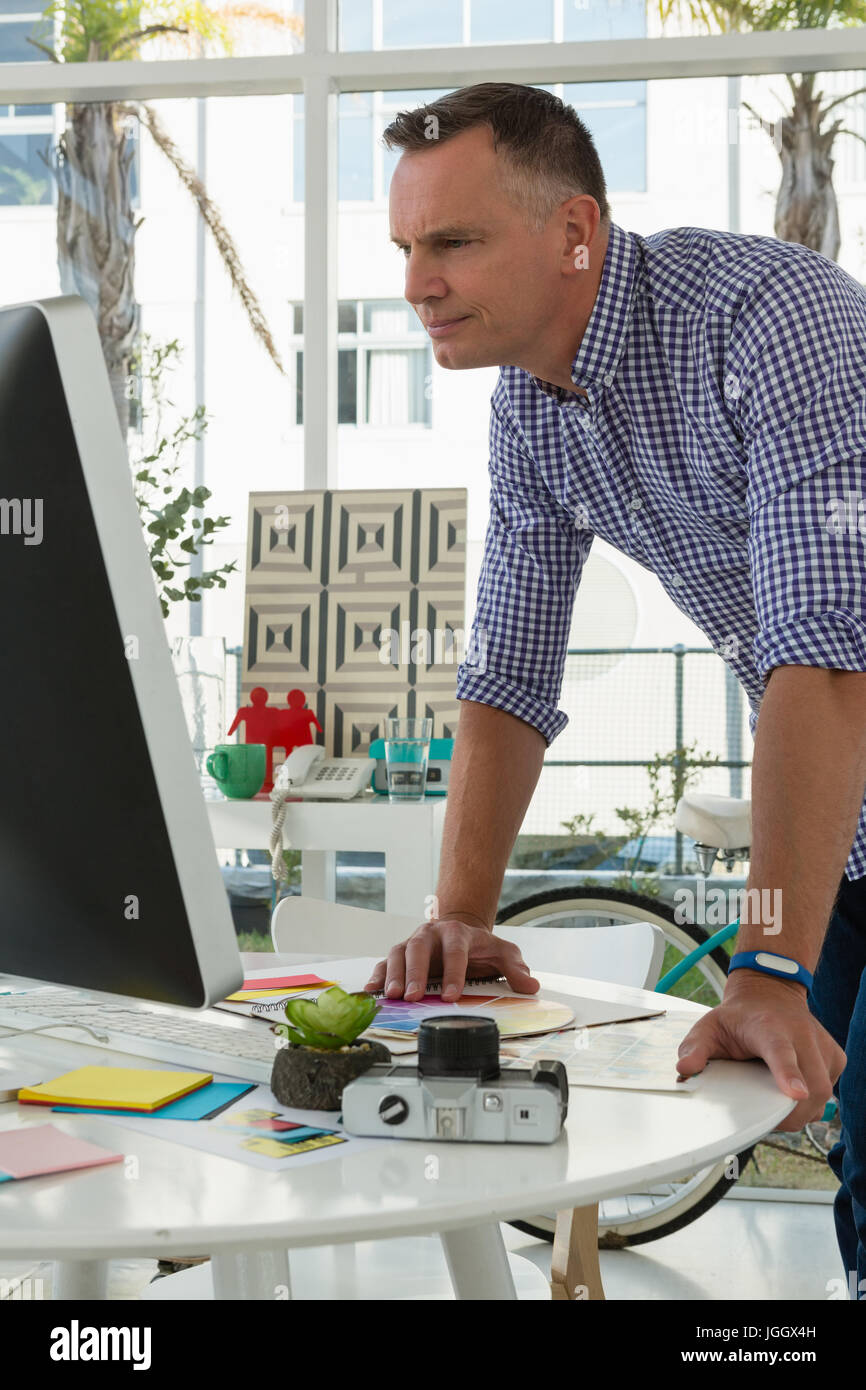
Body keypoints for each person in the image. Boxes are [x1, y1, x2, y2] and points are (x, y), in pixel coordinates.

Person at [361, 82, 866, 1289]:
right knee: (853, 1167)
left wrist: (770, 959)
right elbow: (510, 669)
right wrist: (462, 918)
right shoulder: (531, 409)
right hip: (847, 834)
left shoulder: (769, 323)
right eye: (406, 247)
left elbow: (826, 652)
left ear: (574, 232)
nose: (415, 283)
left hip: (838, 746)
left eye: (453, 242)